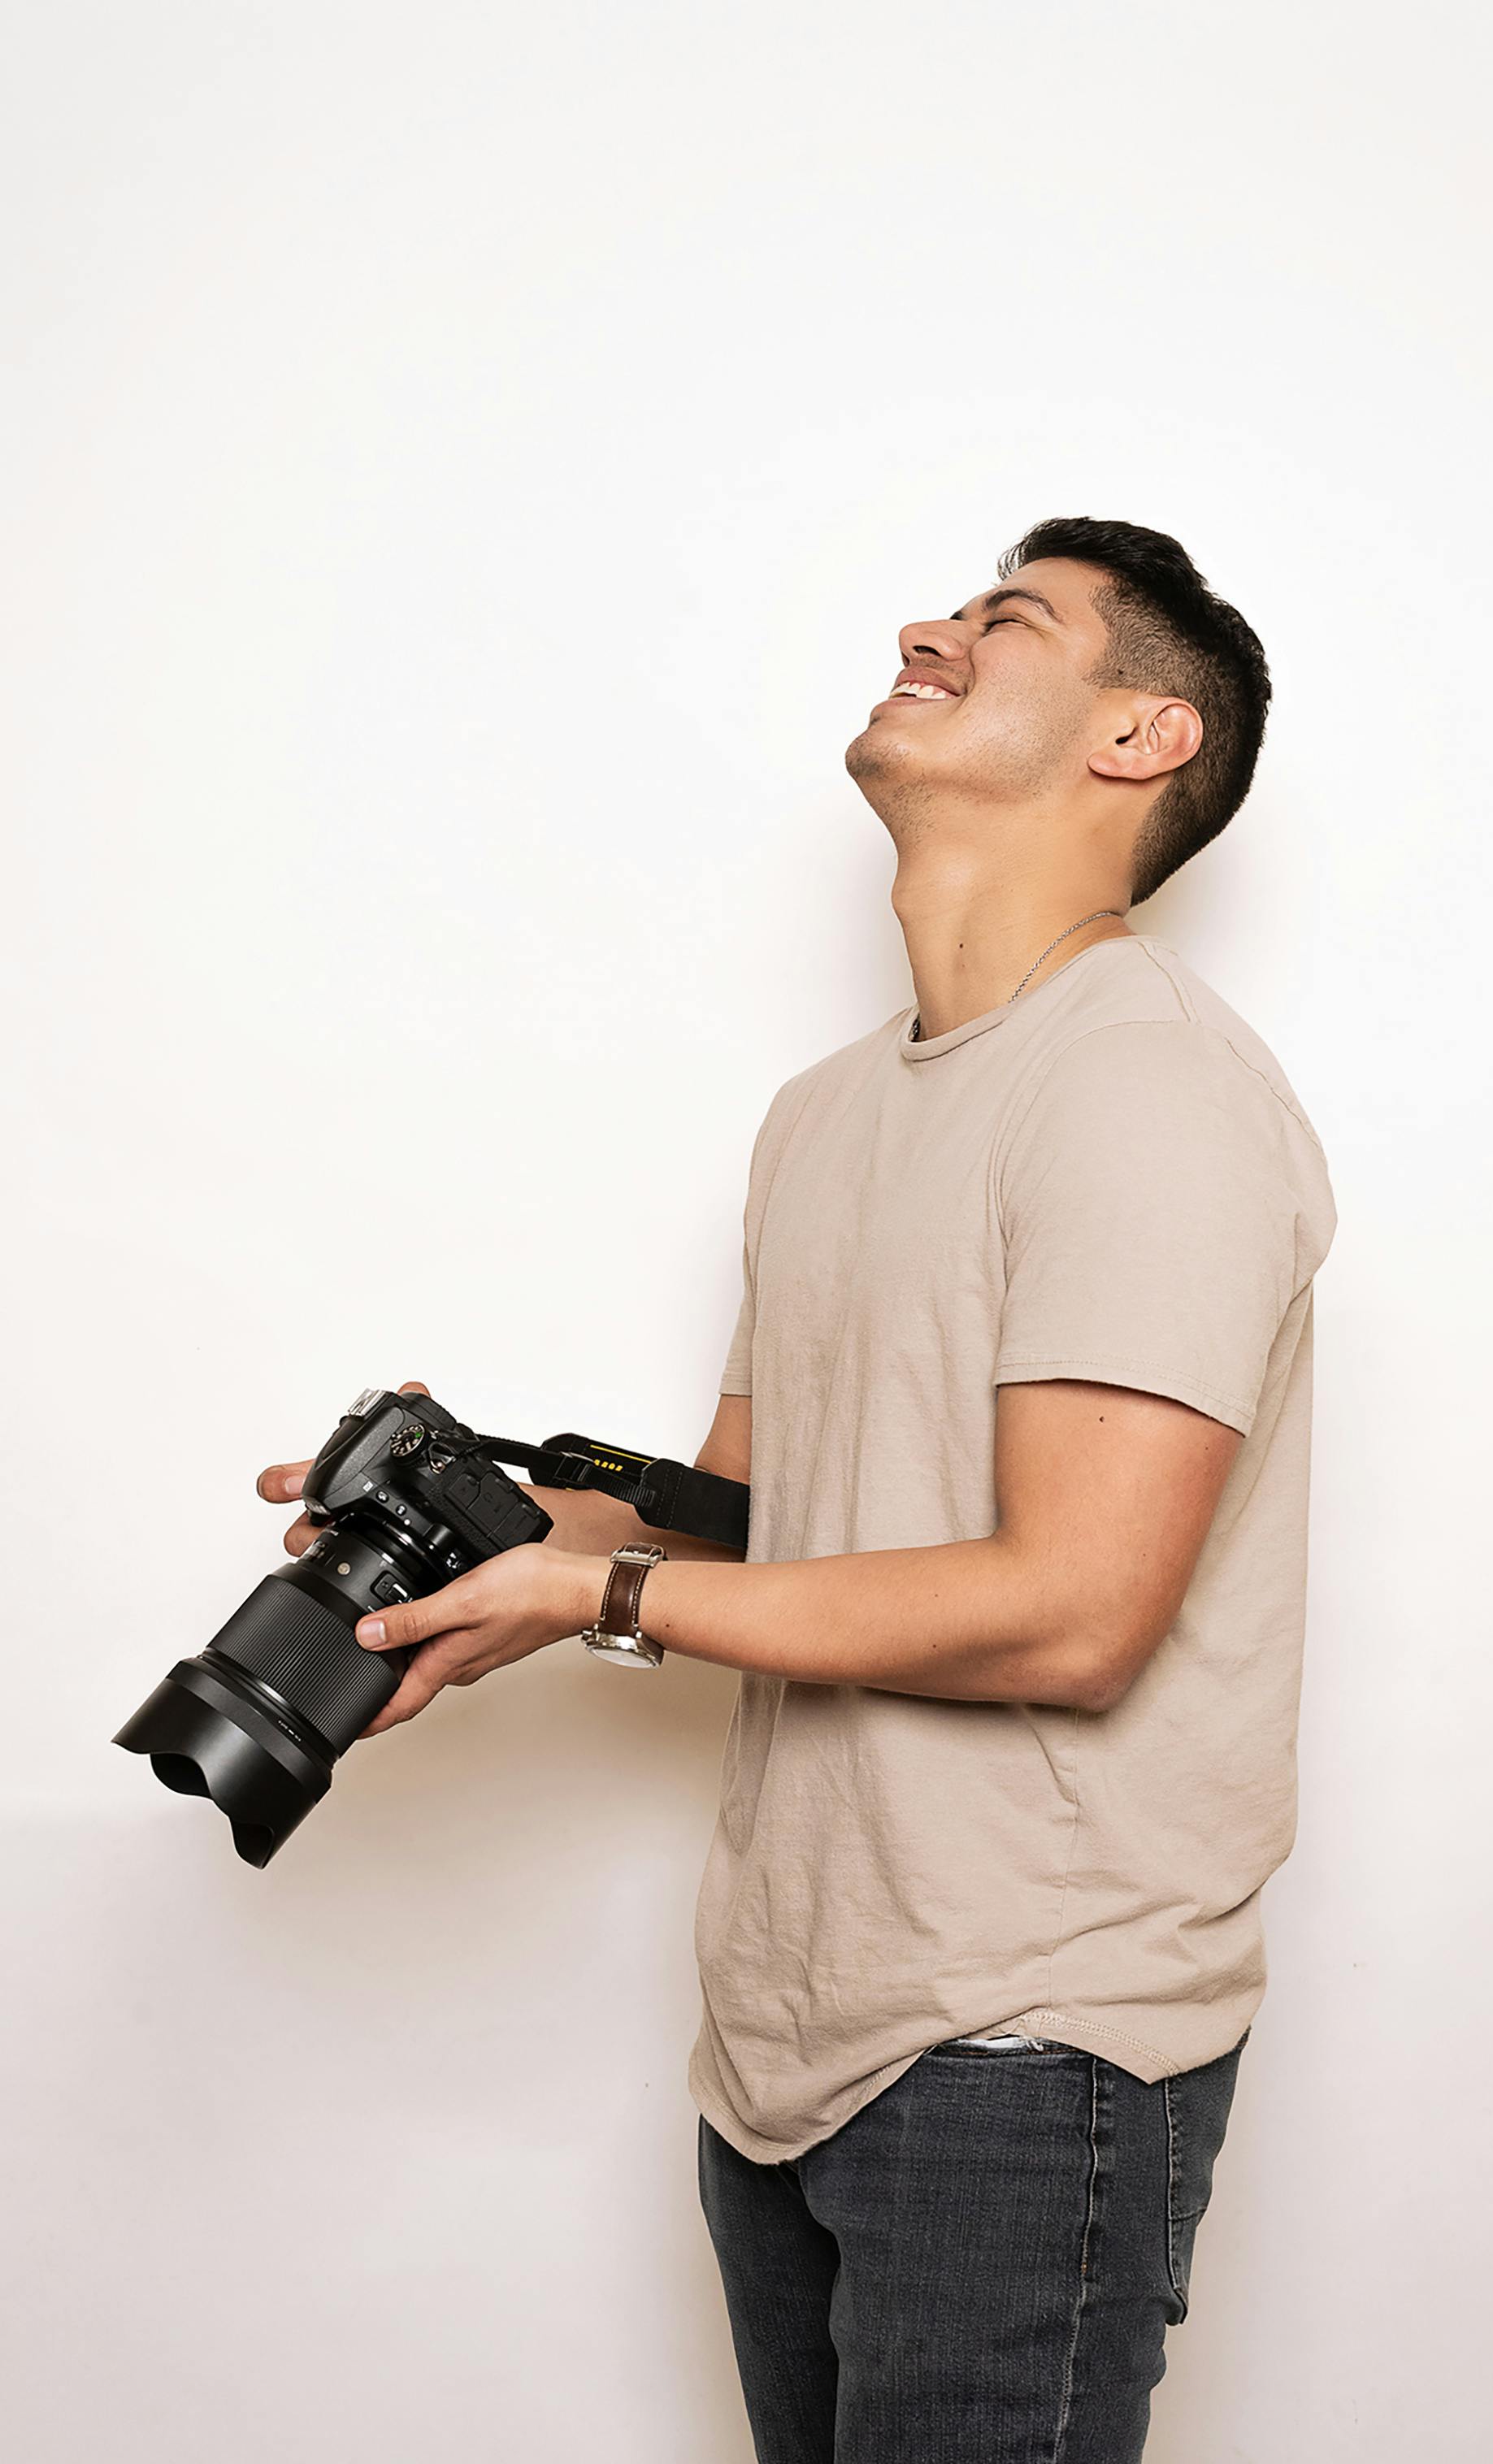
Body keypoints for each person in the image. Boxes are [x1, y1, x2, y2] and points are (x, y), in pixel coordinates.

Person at [257, 516, 1336, 2462]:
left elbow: (1073, 1610)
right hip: (787, 2028)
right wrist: (499, 1539)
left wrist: (601, 1605)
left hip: (1029, 2044)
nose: (927, 630)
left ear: (1139, 740)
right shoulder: (829, 1113)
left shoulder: (1145, 1085)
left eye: (1007, 622)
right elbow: (759, 1522)